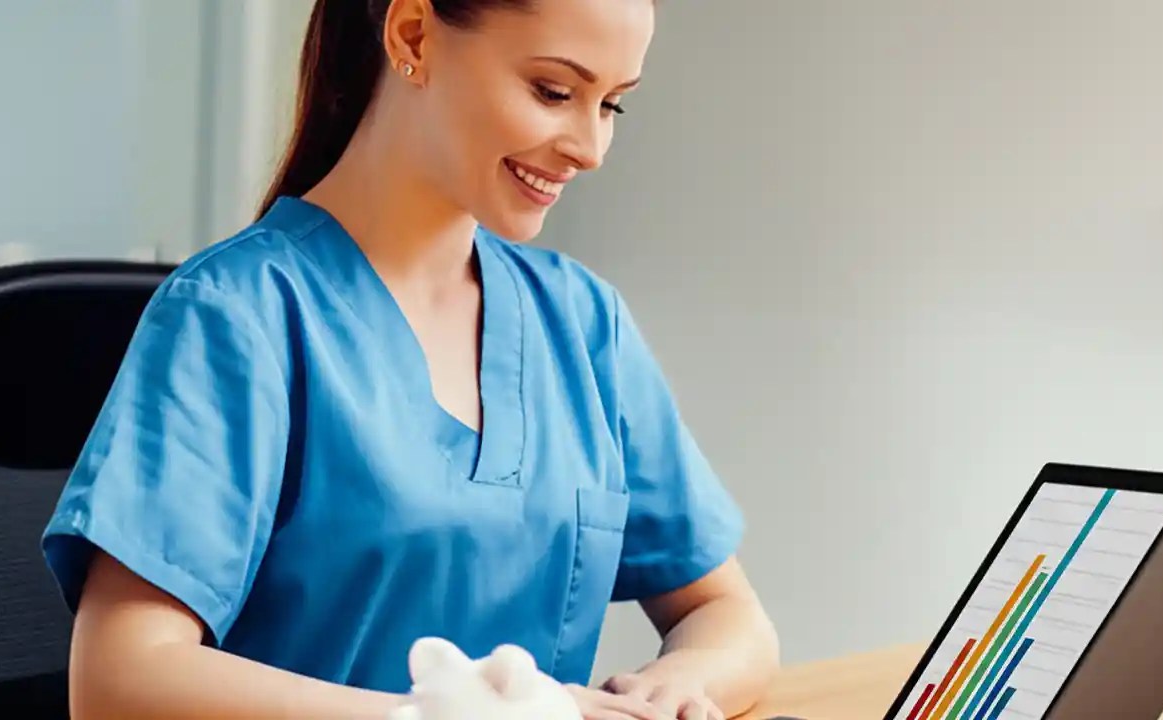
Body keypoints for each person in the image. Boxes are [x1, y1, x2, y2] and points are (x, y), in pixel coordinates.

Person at [40, 0, 780, 718]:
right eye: (554, 91)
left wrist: (669, 691)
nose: (590, 149)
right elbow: (118, 683)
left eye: (611, 104)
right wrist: (439, 716)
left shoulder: (582, 323)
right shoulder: (237, 314)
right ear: (415, 35)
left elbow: (726, 613)